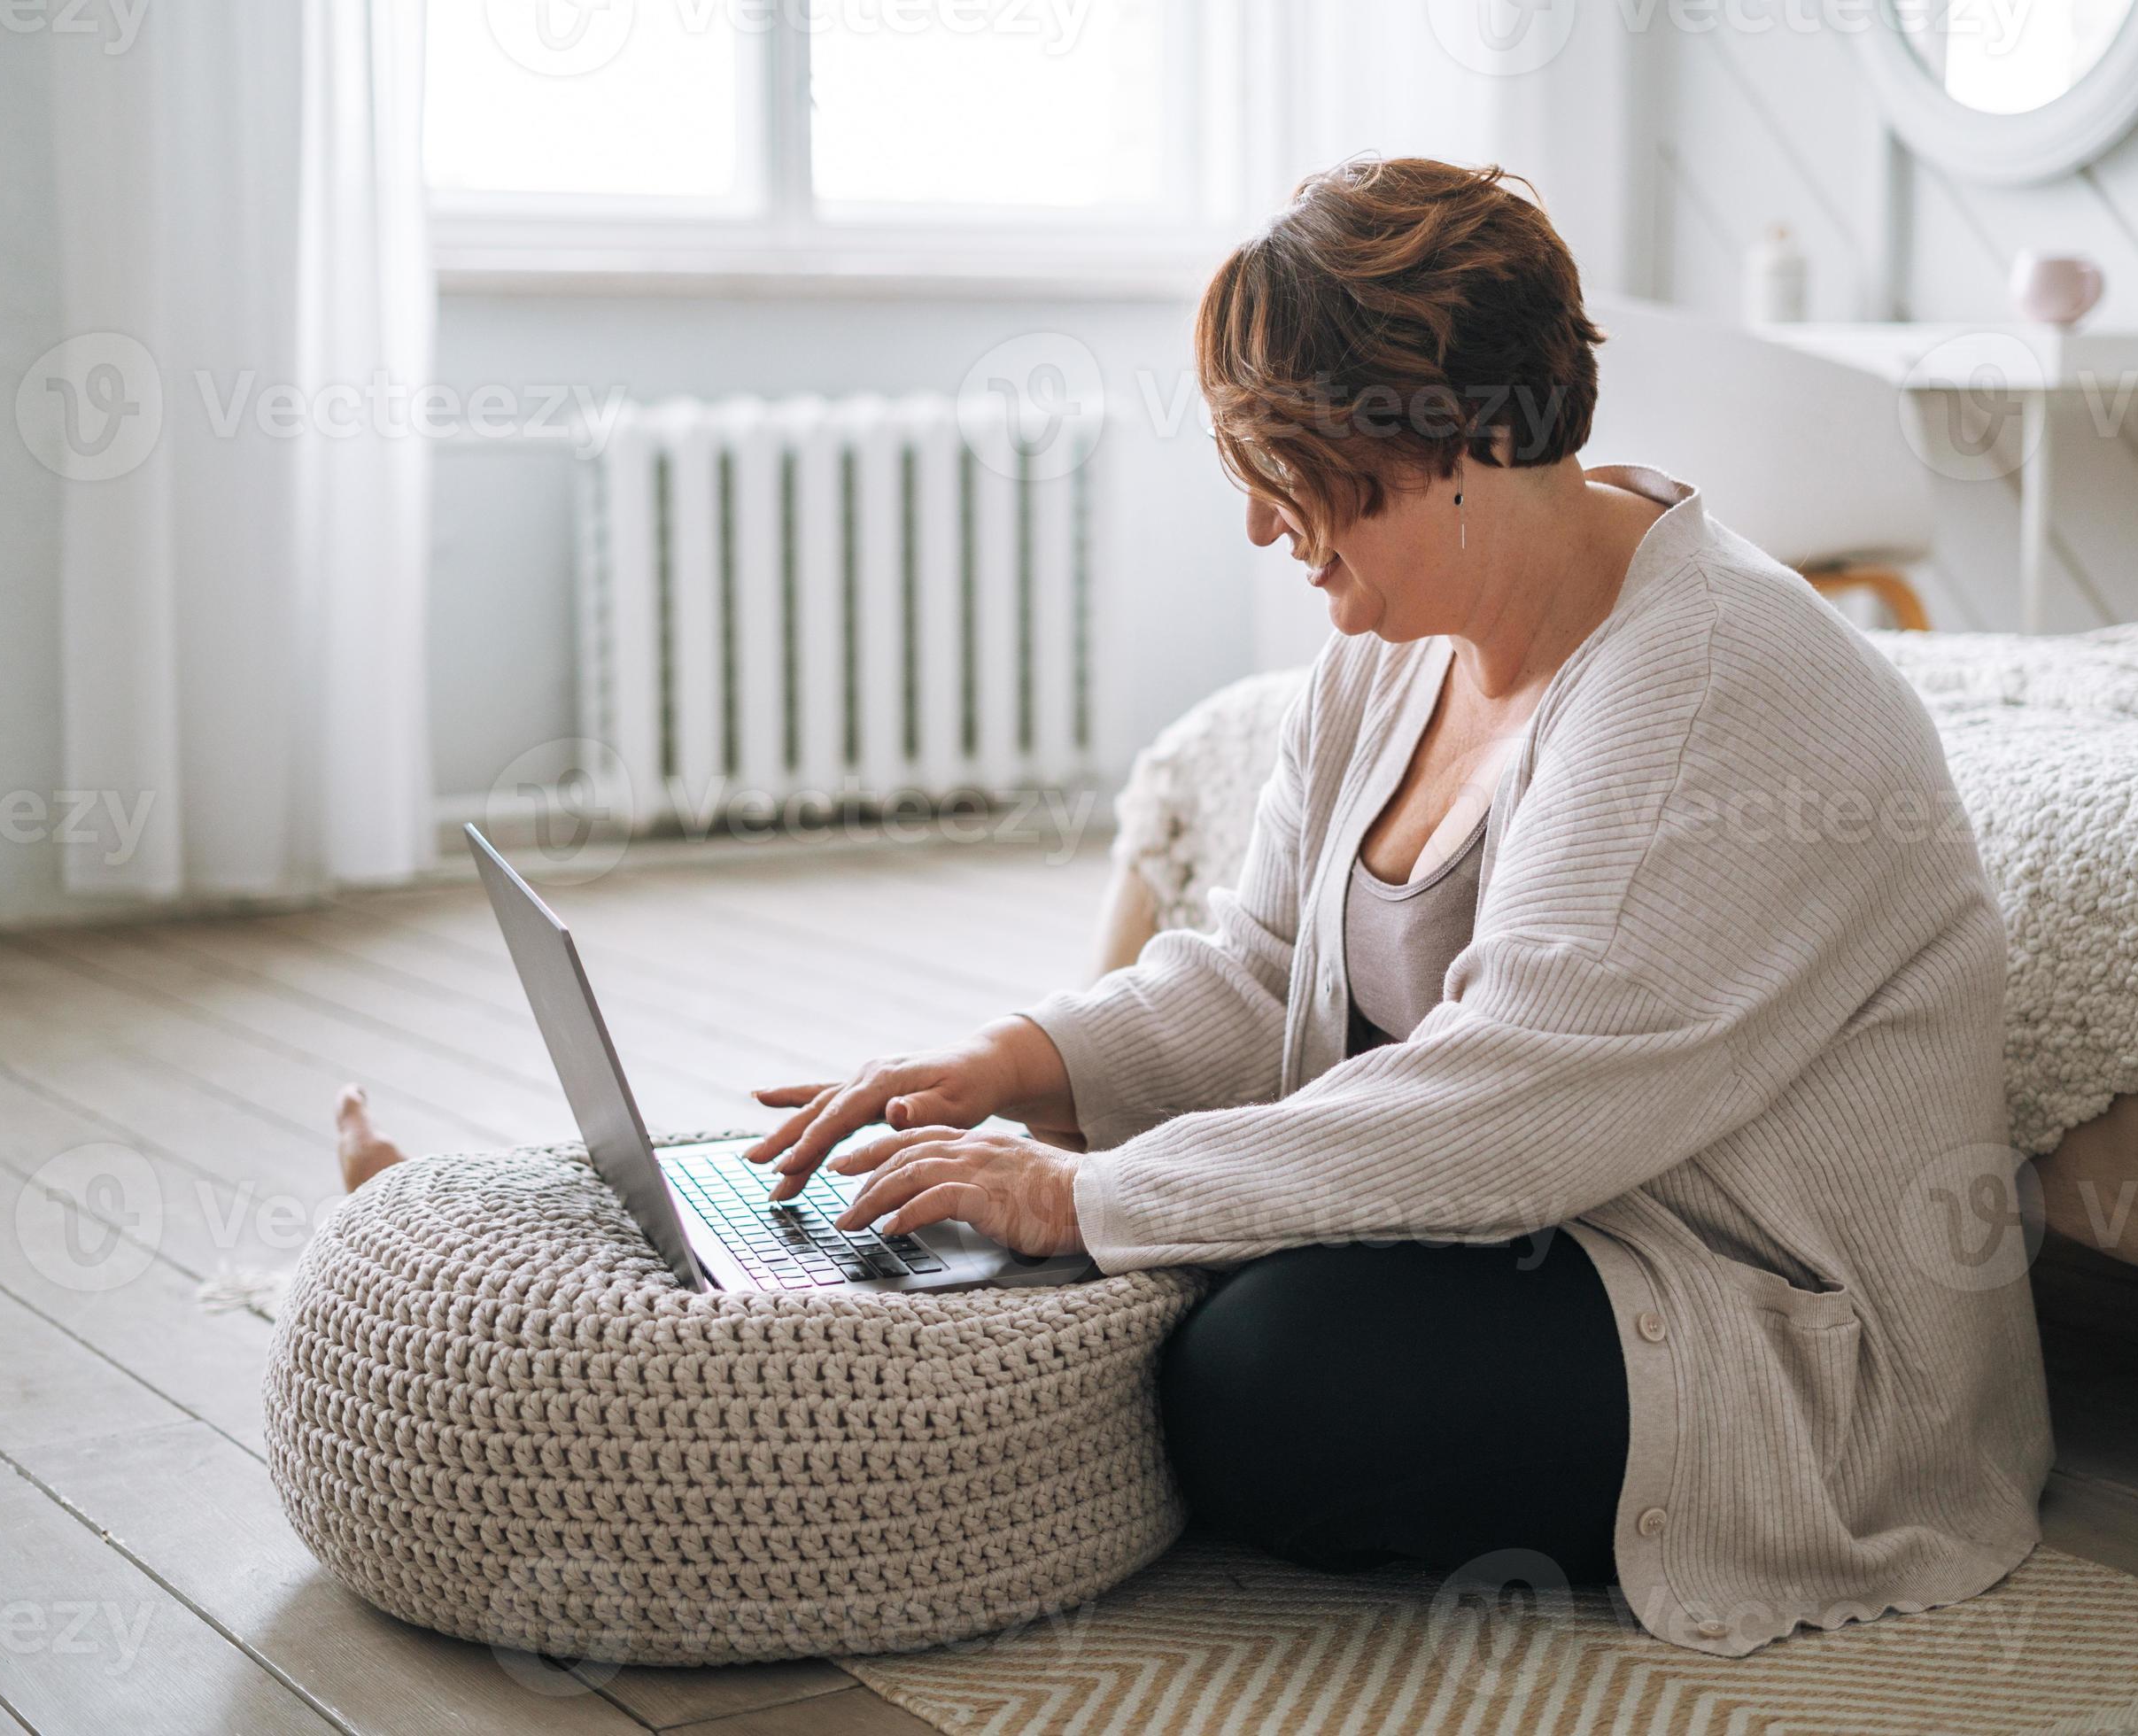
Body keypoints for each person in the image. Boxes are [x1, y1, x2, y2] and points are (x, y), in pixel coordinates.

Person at [338, 157, 2051, 1657]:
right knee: (1034, 1232)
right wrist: (1011, 1066)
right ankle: (683, 1328)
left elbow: (1510, 1114)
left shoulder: (1702, 692)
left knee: (1264, 1375)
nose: (1265, 528)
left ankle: (789, 1391)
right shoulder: (1390, 658)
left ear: (1485, 436)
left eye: (1314, 479)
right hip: (1535, 1235)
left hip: (1771, 1340)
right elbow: (1250, 974)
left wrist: (1089, 1196)